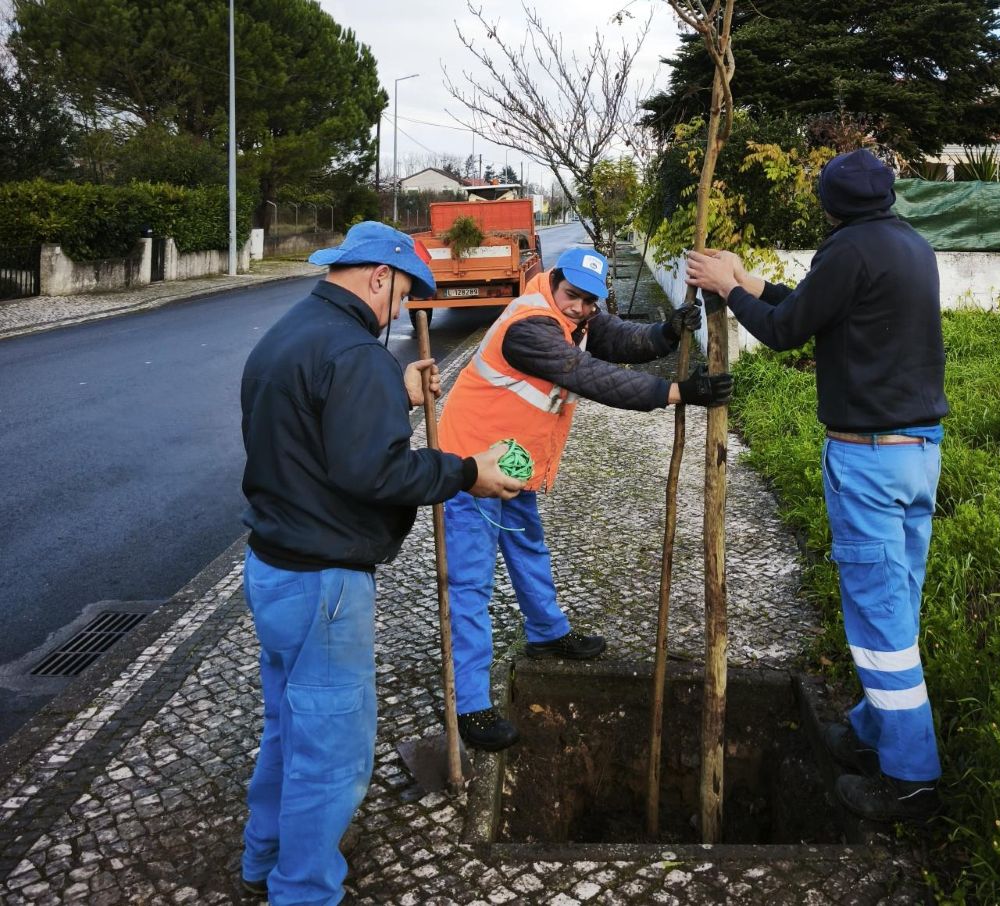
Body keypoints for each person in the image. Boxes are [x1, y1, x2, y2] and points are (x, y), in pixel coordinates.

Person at [238, 221, 524, 905]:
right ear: (378, 276)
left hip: (271, 568)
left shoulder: (288, 334)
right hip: (323, 584)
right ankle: (303, 893)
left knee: (287, 729)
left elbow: (319, 427)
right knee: (332, 753)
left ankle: (262, 857)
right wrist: (468, 472)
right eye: (401, 296)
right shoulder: (354, 353)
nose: (398, 309)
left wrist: (392, 392)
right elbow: (378, 473)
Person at [684, 149, 949, 822]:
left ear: (830, 205)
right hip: (918, 453)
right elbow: (809, 308)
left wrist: (727, 290)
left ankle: (911, 779)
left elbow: (782, 331)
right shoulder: (909, 246)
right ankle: (871, 731)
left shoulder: (848, 250)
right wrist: (746, 280)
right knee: (897, 601)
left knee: (879, 615)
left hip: (869, 459)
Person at [437, 246, 733, 751]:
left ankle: (547, 632)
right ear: (553, 281)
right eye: (572, 296)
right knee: (469, 583)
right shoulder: (529, 328)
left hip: (512, 459)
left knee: (528, 547)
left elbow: (617, 337)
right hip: (471, 460)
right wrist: (677, 393)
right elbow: (592, 376)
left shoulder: (577, 316)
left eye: (590, 301)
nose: (580, 308)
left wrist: (666, 332)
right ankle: (469, 705)